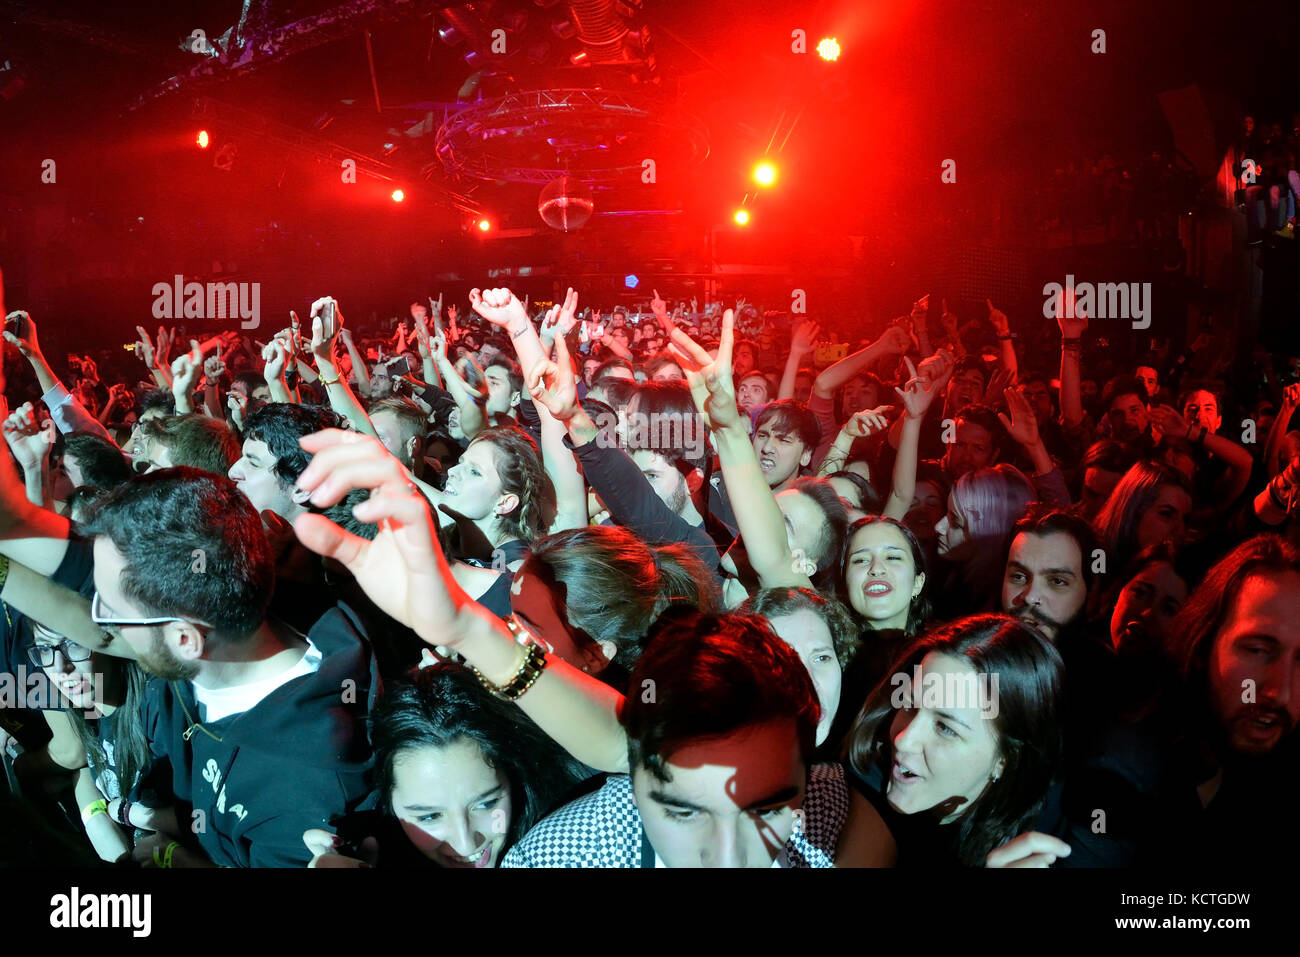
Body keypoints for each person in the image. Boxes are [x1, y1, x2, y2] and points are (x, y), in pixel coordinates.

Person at [79, 468, 379, 867]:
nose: (102, 625)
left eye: (112, 611)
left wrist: (177, 860)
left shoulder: (304, 802)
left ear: (185, 640)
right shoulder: (235, 605)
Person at [502, 609, 847, 868]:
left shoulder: (834, 809)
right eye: (684, 813)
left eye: (766, 811)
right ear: (633, 785)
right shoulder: (558, 859)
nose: (727, 861)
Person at [304, 663, 590, 868]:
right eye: (429, 817)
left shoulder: (579, 833)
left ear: (512, 772)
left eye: (486, 804)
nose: (466, 844)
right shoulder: (374, 847)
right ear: (389, 801)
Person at [837, 614, 1069, 867]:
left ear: (1006, 759)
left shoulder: (1053, 836)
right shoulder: (873, 772)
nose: (904, 740)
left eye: (946, 728)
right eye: (909, 706)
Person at [933, 464, 1037, 619]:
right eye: (945, 512)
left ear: (989, 533)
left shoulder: (998, 611)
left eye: (955, 522)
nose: (938, 527)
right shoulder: (953, 578)